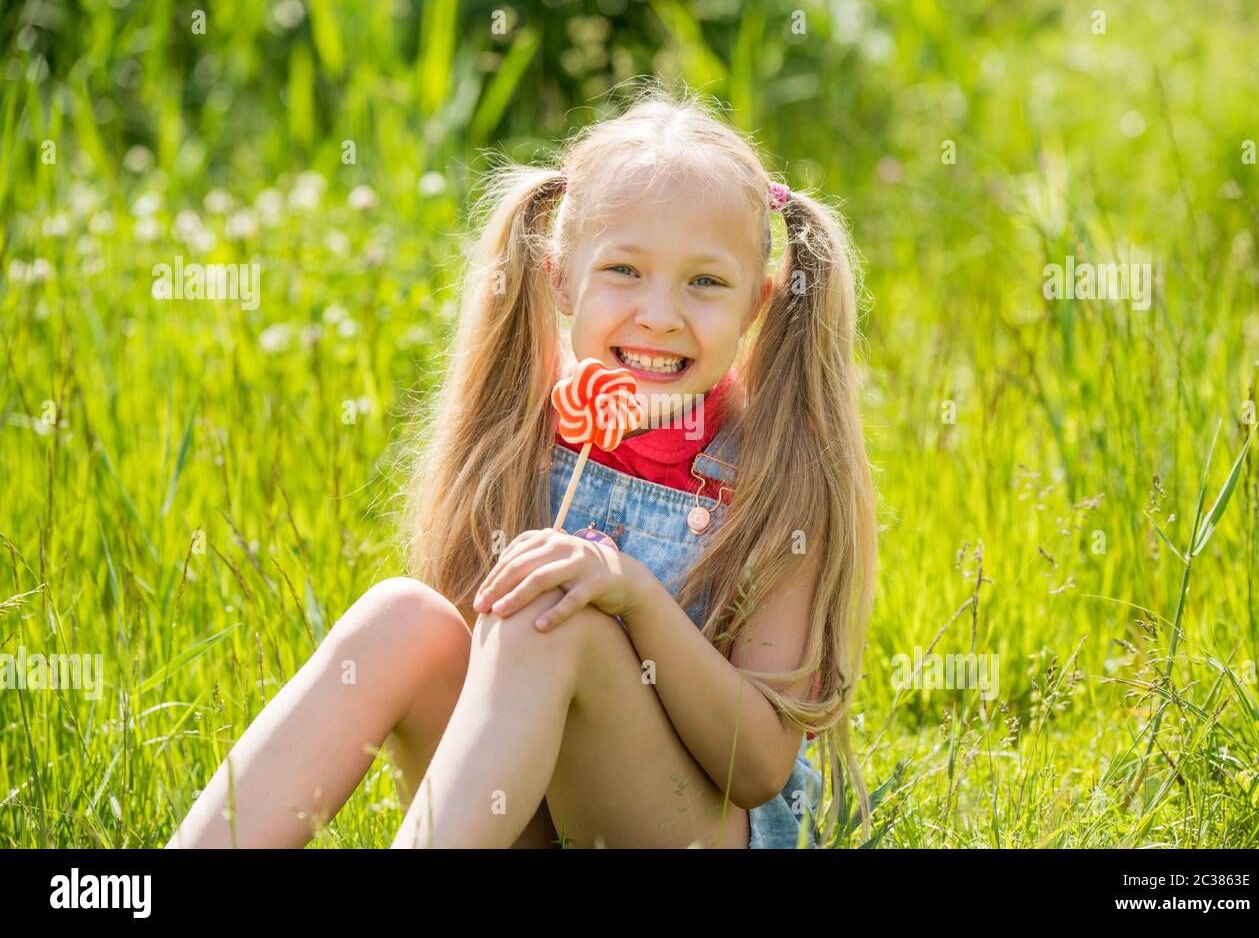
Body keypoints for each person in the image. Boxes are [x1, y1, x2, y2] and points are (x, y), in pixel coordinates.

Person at [168, 82, 877, 849]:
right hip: (526, 809)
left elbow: (761, 765)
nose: (661, 313)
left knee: (557, 620)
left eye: (705, 281)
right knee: (400, 616)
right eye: (624, 270)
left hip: (694, 827)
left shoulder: (776, 473)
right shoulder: (525, 435)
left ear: (756, 304)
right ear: (559, 276)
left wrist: (633, 595)